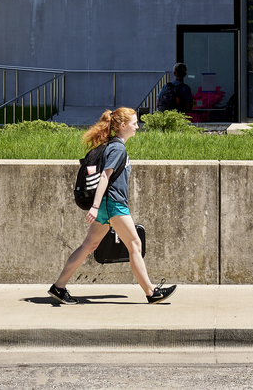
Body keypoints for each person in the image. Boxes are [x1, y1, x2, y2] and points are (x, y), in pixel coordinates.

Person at [48, 107, 175, 305]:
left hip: (108, 204)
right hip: (113, 204)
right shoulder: (117, 148)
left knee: (89, 245)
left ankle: (59, 286)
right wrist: (95, 206)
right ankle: (151, 293)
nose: (137, 127)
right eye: (134, 123)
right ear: (122, 125)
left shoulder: (113, 146)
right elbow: (104, 177)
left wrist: (98, 206)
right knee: (135, 245)